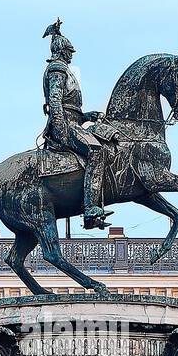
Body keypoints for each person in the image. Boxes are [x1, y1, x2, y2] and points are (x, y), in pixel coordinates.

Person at [41, 18, 114, 229]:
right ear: (63, 50)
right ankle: (90, 208)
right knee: (96, 151)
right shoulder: (57, 70)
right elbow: (55, 102)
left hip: (72, 122)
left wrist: (86, 116)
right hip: (64, 126)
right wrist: (62, 130)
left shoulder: (64, 70)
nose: (72, 54)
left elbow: (68, 107)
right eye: (70, 51)